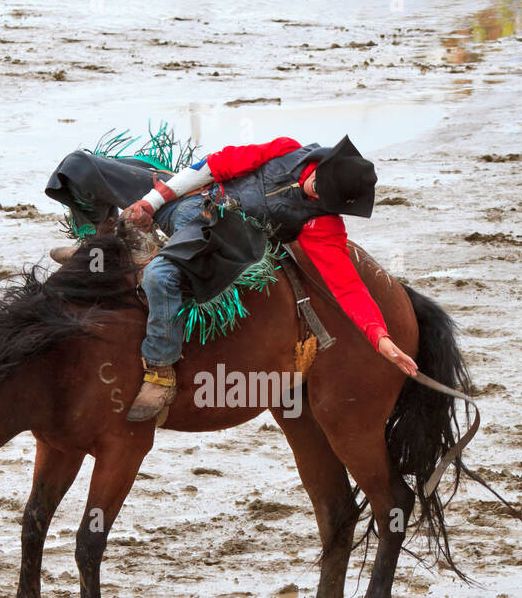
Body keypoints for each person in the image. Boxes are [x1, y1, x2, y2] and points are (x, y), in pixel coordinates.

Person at [122, 135, 418, 422]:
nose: (314, 196)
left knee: (159, 276)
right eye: (318, 186)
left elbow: (348, 286)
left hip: (222, 237)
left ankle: (161, 370)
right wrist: (154, 200)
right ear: (324, 165)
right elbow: (217, 164)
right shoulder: (284, 150)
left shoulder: (323, 224)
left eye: (324, 199)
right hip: (195, 199)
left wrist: (379, 336)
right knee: (86, 169)